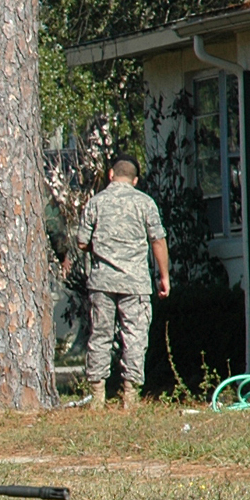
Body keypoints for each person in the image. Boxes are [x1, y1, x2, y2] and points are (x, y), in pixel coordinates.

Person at [70, 153, 169, 410]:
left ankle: (97, 396)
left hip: (102, 282)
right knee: (134, 337)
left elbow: (81, 242)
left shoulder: (96, 202)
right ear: (135, 180)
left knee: (100, 336)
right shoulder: (145, 203)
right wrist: (164, 276)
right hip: (135, 283)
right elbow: (157, 240)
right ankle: (130, 396)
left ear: (111, 175)